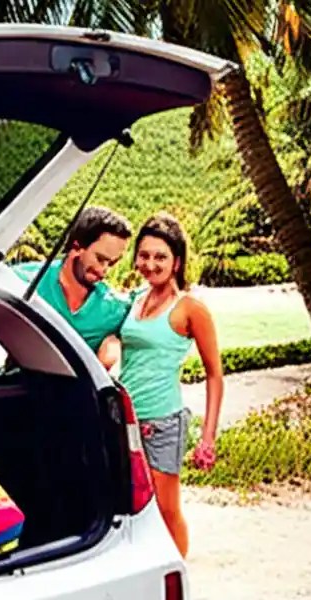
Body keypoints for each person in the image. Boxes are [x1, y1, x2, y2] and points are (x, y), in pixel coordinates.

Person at [99, 212, 223, 558]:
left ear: (177, 261)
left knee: (166, 512)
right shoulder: (134, 300)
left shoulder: (190, 308)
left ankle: (176, 579)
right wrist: (103, 357)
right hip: (126, 421)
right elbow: (115, 341)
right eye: (144, 255)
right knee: (130, 510)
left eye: (160, 257)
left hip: (162, 424)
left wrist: (208, 438)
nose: (150, 264)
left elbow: (215, 373)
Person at [12, 206, 135, 367]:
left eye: (112, 263)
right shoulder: (21, 281)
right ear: (76, 247)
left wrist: (113, 348)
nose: (104, 270)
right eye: (100, 259)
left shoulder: (114, 309)